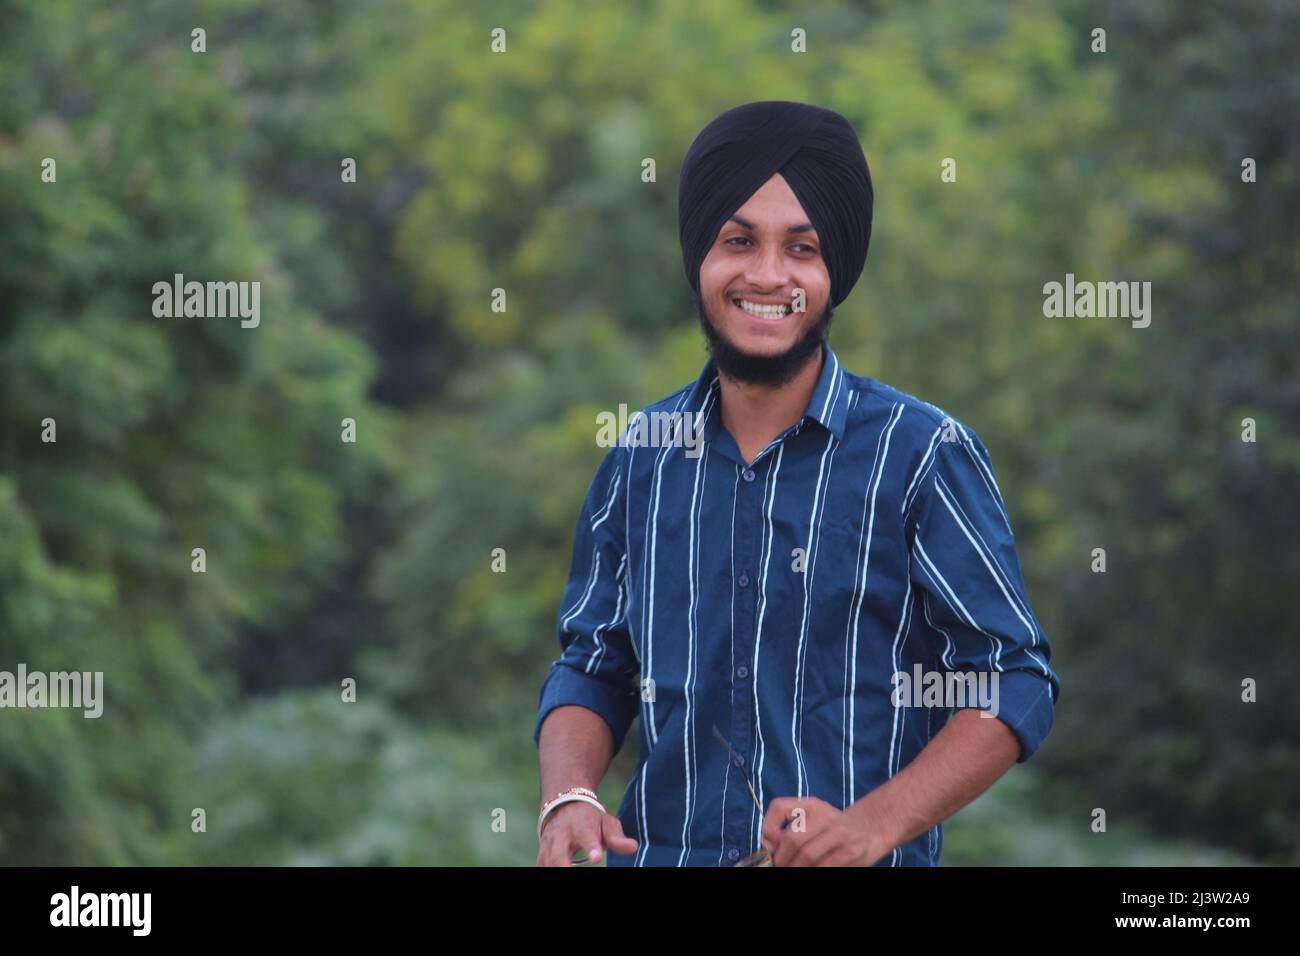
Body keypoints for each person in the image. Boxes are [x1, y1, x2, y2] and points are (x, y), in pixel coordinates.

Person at [533, 100, 1060, 867]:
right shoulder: (641, 455)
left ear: (833, 271)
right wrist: (570, 796)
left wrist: (872, 826)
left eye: (801, 248)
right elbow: (593, 663)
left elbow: (1014, 679)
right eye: (738, 240)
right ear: (699, 259)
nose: (768, 274)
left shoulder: (919, 454)